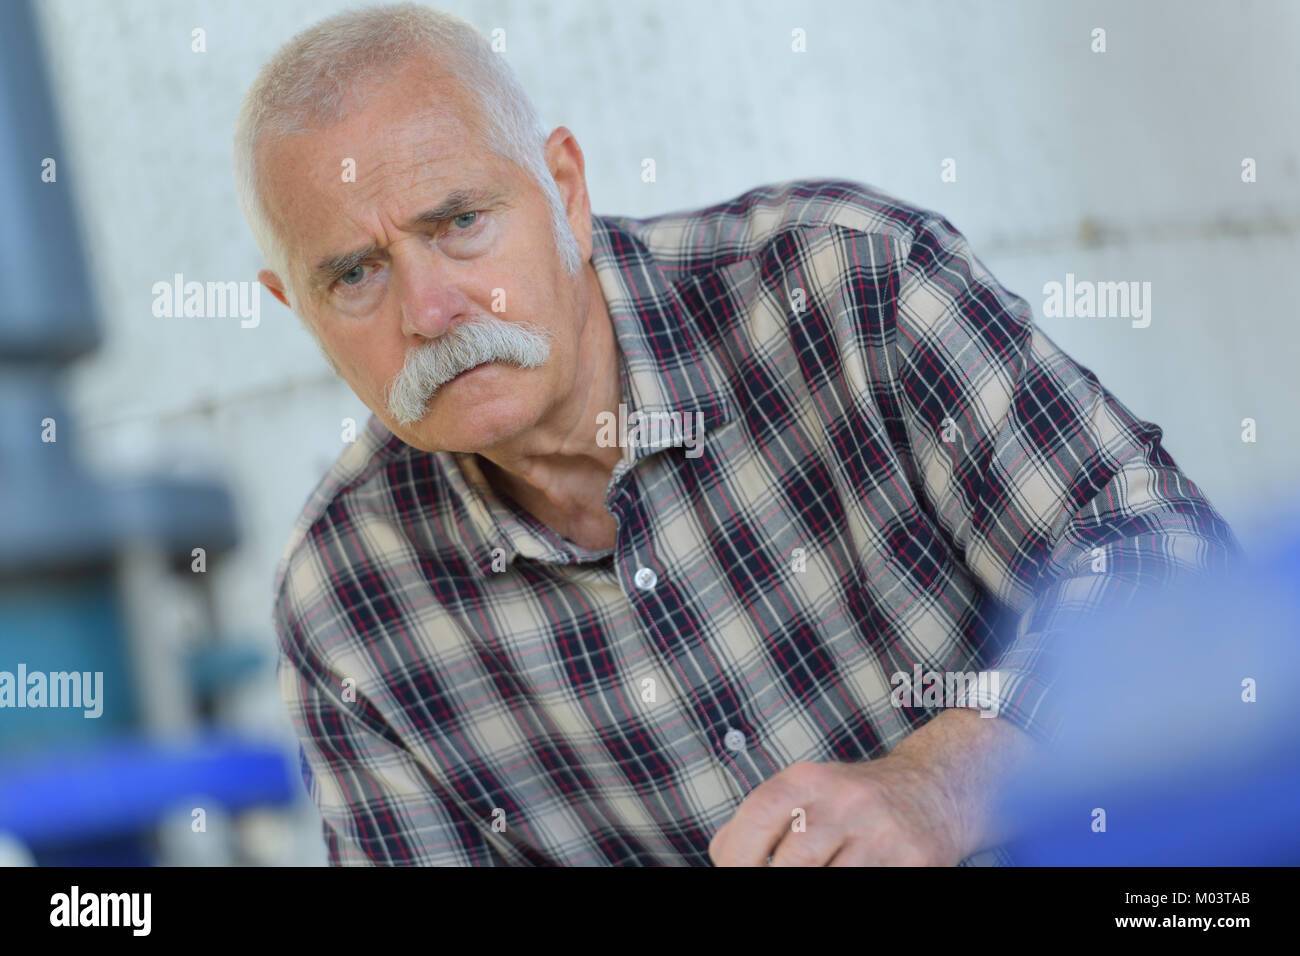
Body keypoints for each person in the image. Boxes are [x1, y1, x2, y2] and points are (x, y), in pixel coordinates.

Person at [236, 3, 1241, 865]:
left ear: (565, 193)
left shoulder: (848, 289)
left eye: (458, 222)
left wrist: (941, 783)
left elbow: (1175, 558)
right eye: (354, 275)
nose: (427, 308)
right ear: (297, 307)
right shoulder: (345, 596)